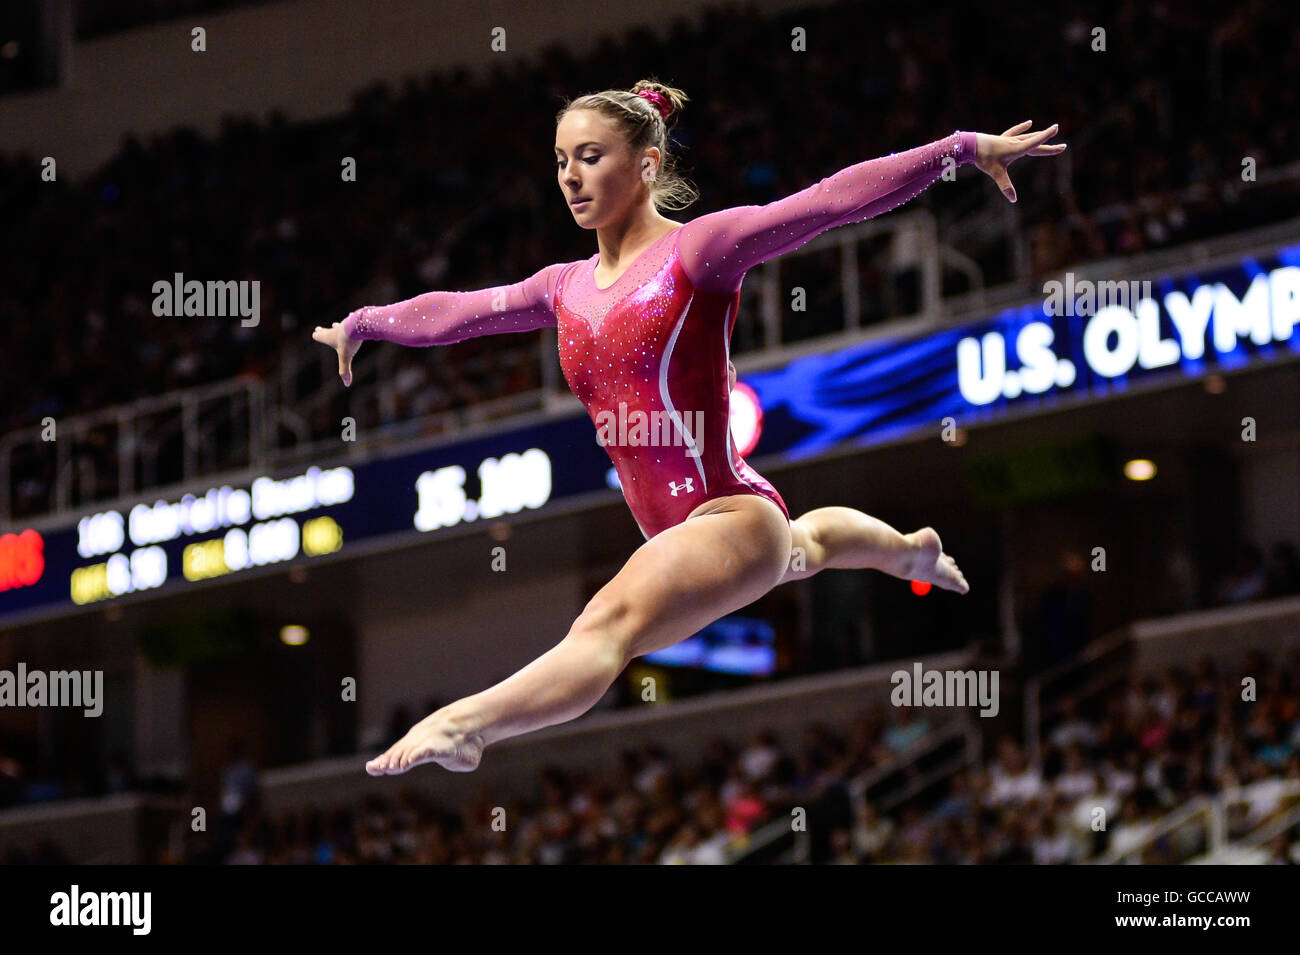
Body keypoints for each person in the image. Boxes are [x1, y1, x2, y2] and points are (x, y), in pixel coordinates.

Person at [313, 79, 1065, 775]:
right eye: (561, 161)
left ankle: (467, 726)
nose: (570, 176)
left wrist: (959, 149)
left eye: (590, 156)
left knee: (606, 625)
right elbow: (462, 311)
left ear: (644, 164)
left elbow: (825, 203)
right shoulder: (564, 287)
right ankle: (910, 551)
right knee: (809, 544)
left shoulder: (696, 252)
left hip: (724, 516)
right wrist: (363, 323)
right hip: (706, 533)